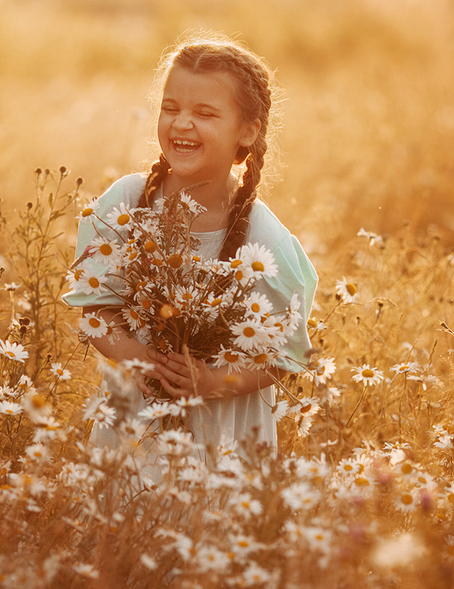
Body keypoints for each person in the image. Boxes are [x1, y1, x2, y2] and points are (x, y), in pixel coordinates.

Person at [63, 32, 318, 461]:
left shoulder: (265, 240)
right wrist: (139, 358)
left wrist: (215, 382)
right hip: (134, 428)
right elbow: (95, 311)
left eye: (204, 113)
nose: (181, 123)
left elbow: (281, 357)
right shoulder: (125, 205)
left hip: (222, 440)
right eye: (171, 108)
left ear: (247, 131)